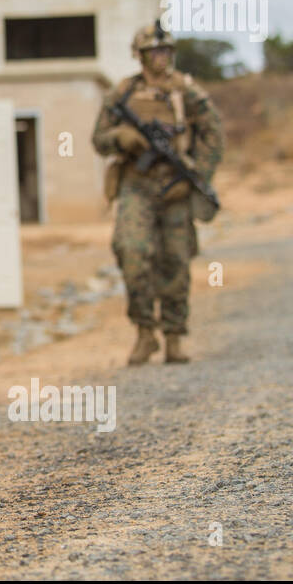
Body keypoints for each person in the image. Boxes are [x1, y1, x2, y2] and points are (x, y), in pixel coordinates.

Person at [92, 21, 224, 366]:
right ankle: (144, 332)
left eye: (165, 51)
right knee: (130, 250)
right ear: (140, 55)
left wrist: (198, 175)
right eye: (153, 52)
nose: (160, 58)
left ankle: (174, 337)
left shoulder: (187, 91)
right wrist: (120, 138)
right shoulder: (122, 93)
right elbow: (98, 138)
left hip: (176, 187)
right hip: (136, 184)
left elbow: (214, 135)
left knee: (175, 260)